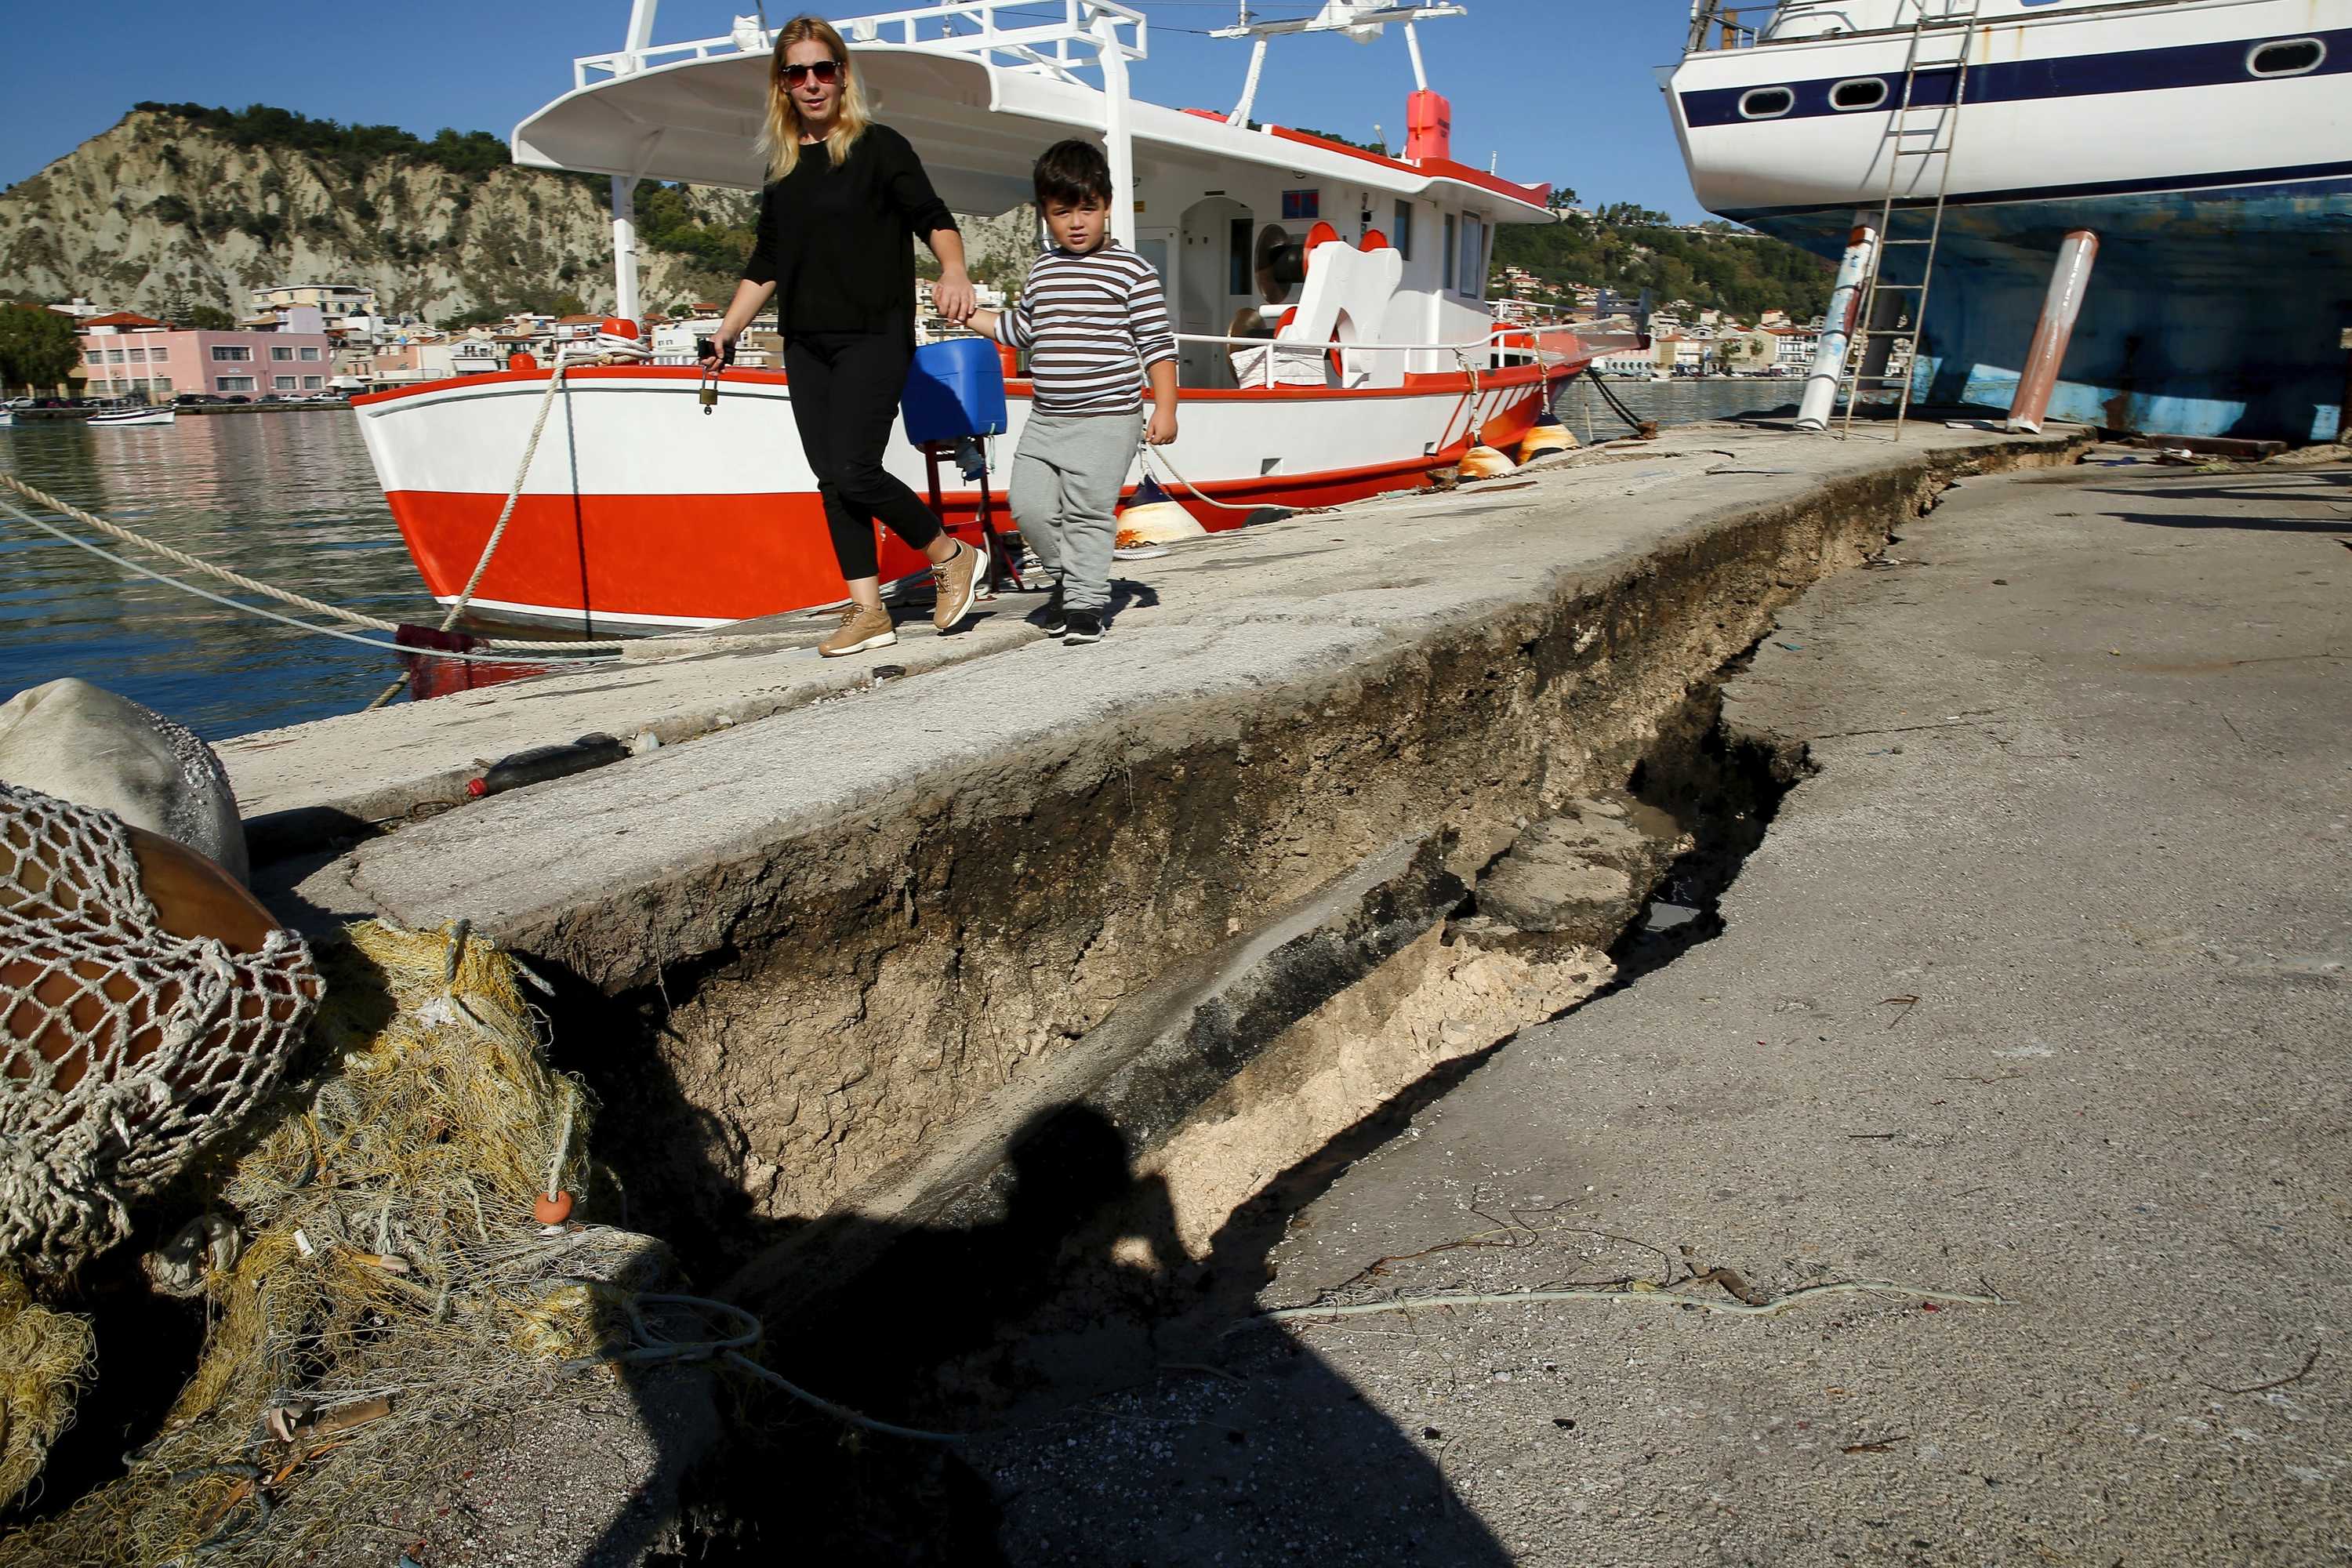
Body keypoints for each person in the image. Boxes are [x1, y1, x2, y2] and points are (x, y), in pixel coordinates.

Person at [701, 14, 986, 658]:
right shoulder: (781, 168)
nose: (810, 82)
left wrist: (955, 269)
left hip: (874, 334)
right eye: (796, 72)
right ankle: (868, 612)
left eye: (821, 69)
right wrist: (725, 331)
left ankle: (950, 554)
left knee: (856, 468)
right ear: (782, 83)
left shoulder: (880, 147)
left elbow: (933, 218)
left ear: (842, 74)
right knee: (830, 477)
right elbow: (767, 261)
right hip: (806, 341)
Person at [966, 140, 1177, 646]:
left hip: (1108, 417)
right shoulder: (1043, 270)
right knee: (1029, 506)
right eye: (1063, 212)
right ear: (1045, 215)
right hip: (1047, 420)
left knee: (1088, 512)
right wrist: (967, 313)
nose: (1077, 222)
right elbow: (1021, 329)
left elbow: (1156, 343)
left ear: (1106, 206)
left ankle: (1085, 602)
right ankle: (1076, 577)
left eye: (1088, 209)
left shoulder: (1132, 271)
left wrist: (1165, 406)